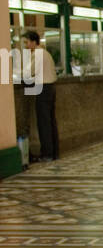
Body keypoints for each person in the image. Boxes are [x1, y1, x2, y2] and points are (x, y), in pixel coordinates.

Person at [23, 30, 59, 161]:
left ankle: (47, 154)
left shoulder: (37, 54)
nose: (26, 46)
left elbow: (28, 72)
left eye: (26, 42)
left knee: (43, 122)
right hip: (51, 88)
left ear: (33, 42)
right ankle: (54, 152)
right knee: (51, 121)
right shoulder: (46, 53)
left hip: (43, 89)